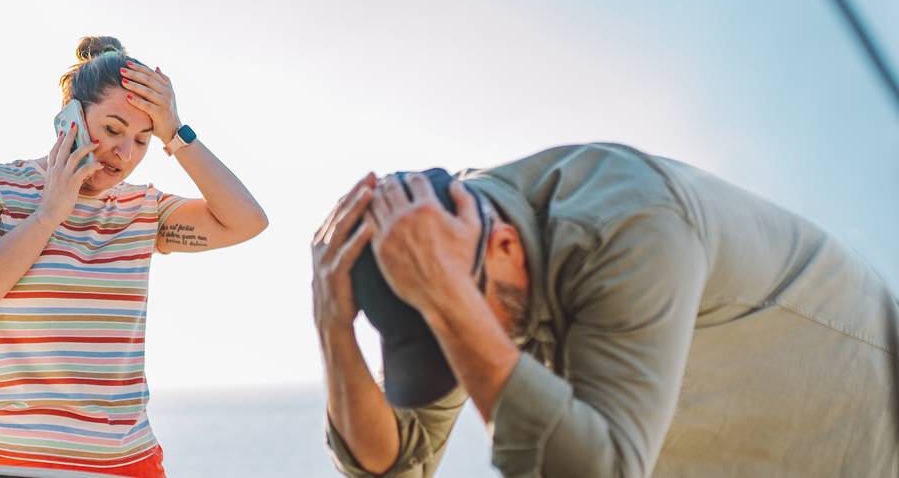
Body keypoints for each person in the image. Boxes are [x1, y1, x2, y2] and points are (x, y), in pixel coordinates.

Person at [312, 143, 898, 477]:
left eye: (460, 309)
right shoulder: (452, 246)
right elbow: (396, 464)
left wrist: (452, 307)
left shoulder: (633, 225)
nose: (459, 343)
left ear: (507, 245)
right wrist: (334, 327)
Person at [0, 36, 268, 478]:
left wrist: (176, 132)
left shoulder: (143, 210)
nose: (125, 154)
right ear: (69, 116)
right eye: (112, 129)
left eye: (143, 139)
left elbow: (246, 221)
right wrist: (49, 215)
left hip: (122, 466)